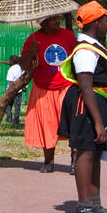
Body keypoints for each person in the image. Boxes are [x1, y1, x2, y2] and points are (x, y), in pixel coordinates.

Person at [57, 1, 107, 213]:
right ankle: (84, 206)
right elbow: (85, 85)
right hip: (86, 104)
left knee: (96, 152)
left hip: (96, 102)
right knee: (86, 151)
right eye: (105, 20)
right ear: (95, 22)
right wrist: (96, 122)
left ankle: (95, 204)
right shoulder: (84, 49)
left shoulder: (94, 44)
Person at [17, 14, 77, 172]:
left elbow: (78, 58)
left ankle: (75, 161)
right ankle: (48, 161)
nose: (58, 21)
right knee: (47, 125)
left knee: (73, 124)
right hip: (43, 89)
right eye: (53, 19)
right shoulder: (33, 39)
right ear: (42, 22)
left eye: (58, 18)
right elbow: (23, 66)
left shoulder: (68, 36)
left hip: (67, 87)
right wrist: (30, 53)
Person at [4, 57, 26, 125]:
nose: (9, 62)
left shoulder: (11, 69)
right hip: (19, 89)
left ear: (12, 61)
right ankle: (16, 119)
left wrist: (10, 90)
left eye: (9, 60)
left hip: (11, 89)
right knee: (17, 105)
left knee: (8, 104)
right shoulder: (21, 68)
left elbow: (10, 80)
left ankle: (9, 118)